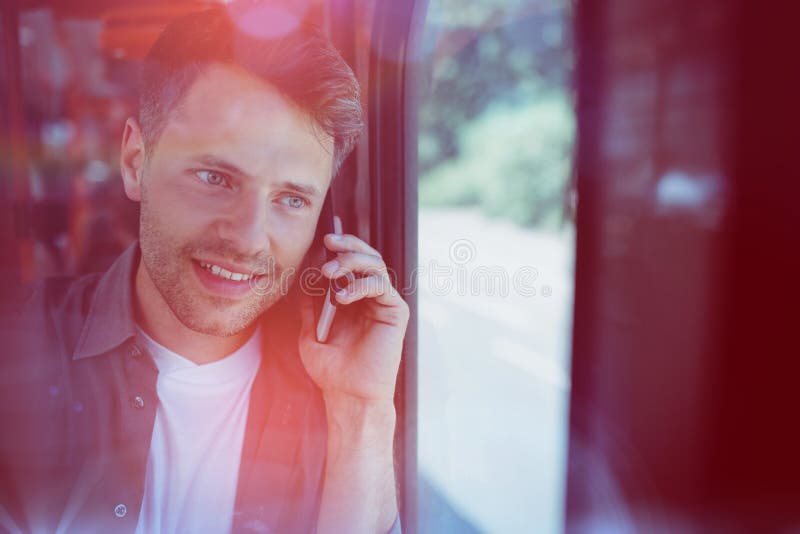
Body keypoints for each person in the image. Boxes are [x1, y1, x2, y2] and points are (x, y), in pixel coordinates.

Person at [0, 5, 408, 533]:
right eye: (215, 178)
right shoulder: (14, 351)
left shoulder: (335, 393)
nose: (245, 237)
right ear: (135, 162)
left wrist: (360, 411)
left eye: (290, 199)